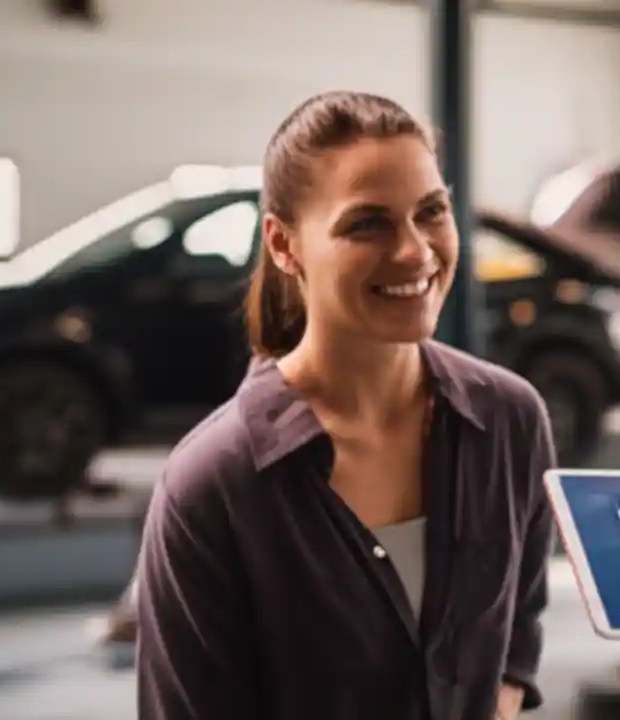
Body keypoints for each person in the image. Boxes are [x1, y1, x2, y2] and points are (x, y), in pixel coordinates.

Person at [136, 91, 556, 720]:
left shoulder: (508, 421)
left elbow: (516, 633)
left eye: (431, 212)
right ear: (284, 244)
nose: (415, 251)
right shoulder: (215, 484)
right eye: (367, 224)